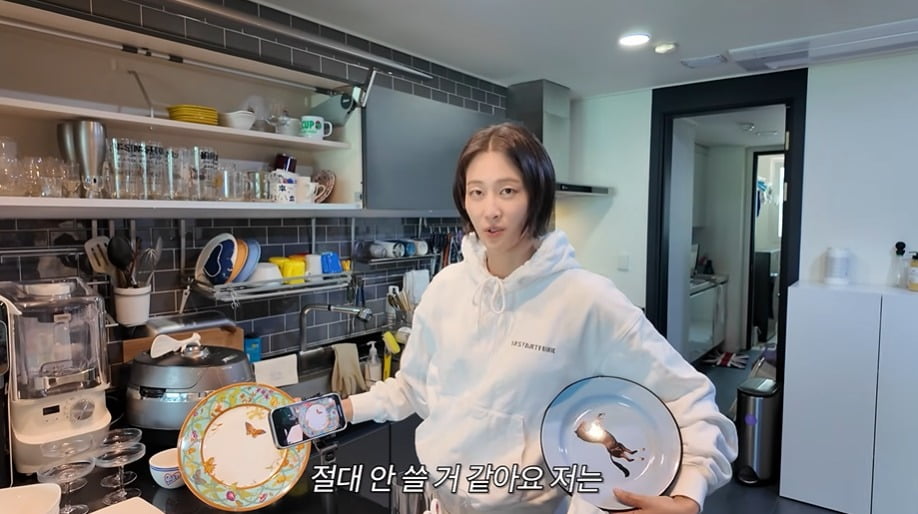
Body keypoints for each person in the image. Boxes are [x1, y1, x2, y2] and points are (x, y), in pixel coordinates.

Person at [343, 122, 738, 514]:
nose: (490, 210)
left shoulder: (585, 300)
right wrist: (343, 411)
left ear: (538, 196)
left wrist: (688, 496)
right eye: (477, 192)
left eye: (508, 191)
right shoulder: (446, 288)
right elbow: (413, 388)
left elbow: (689, 400)